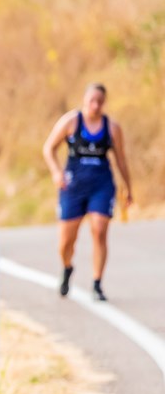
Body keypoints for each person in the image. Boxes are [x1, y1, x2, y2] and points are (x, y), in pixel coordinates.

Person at [42, 83, 133, 301]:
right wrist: (56, 172)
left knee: (99, 230)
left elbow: (121, 159)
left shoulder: (112, 127)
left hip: (101, 184)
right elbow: (48, 148)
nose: (95, 105)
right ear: (84, 100)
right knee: (66, 241)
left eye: (99, 101)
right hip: (73, 186)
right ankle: (67, 267)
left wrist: (129, 188)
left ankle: (97, 282)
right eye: (91, 100)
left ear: (104, 102)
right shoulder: (71, 121)